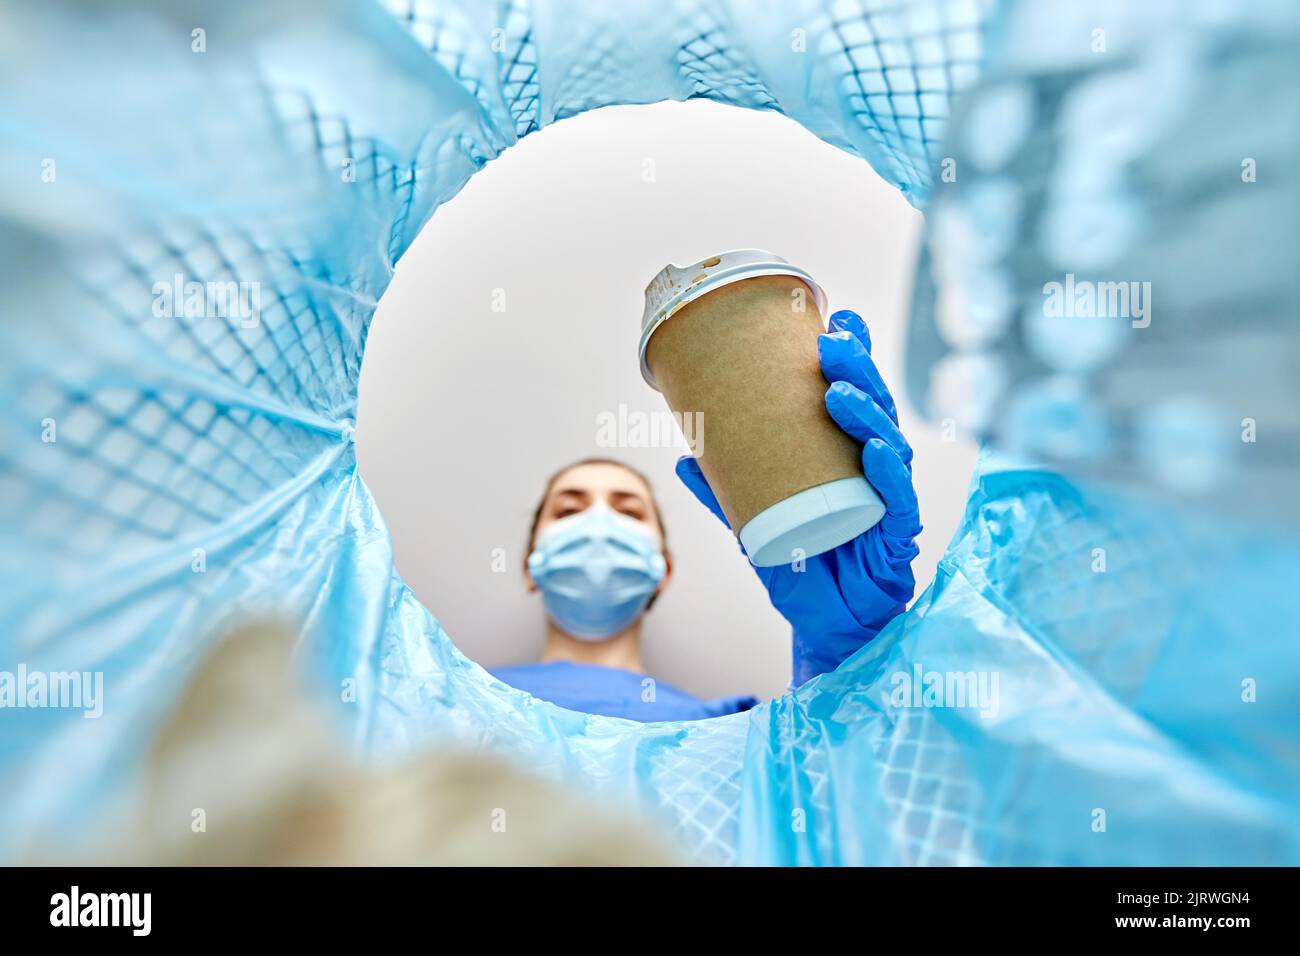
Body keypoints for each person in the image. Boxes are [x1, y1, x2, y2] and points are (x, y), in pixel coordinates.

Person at [492, 309, 922, 721]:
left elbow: (853, 776)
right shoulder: (448, 694)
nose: (599, 525)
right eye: (568, 509)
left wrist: (849, 650)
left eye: (629, 511)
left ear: (662, 568)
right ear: (530, 565)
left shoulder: (725, 729)